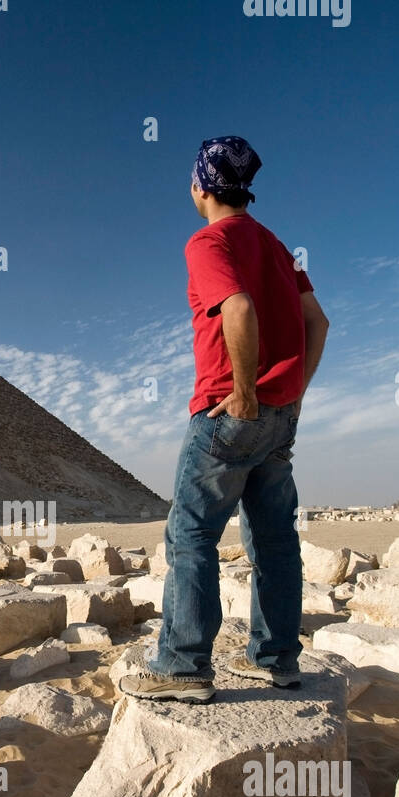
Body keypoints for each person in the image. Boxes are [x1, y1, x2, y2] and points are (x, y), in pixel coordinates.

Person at [121, 135, 330, 703]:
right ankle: (277, 659)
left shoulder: (208, 241)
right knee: (275, 541)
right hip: (280, 418)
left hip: (227, 414)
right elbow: (320, 322)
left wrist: (243, 392)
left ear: (200, 186)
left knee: (191, 535)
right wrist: (293, 394)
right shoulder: (279, 248)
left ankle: (183, 667)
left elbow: (237, 307)